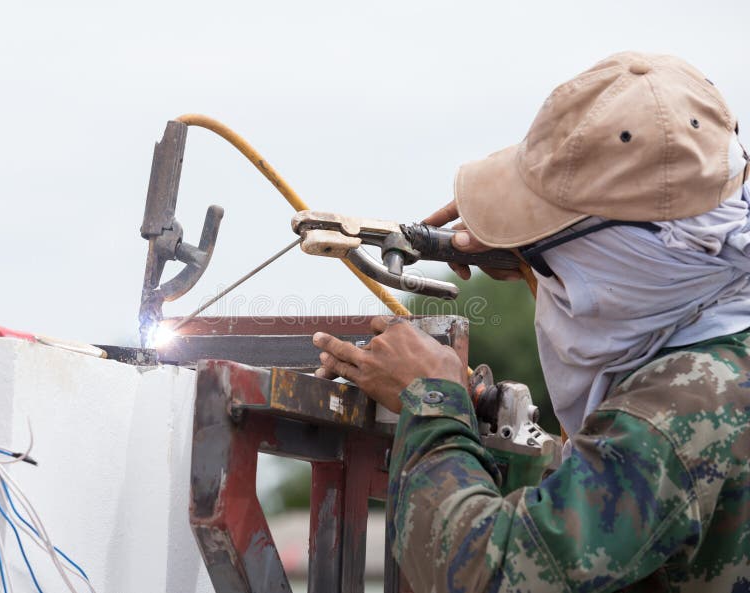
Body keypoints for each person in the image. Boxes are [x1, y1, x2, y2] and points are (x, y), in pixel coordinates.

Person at [312, 51, 750, 592]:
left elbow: (487, 574)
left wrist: (433, 402)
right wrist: (534, 247)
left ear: (616, 262)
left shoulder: (677, 414)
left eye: (552, 259)